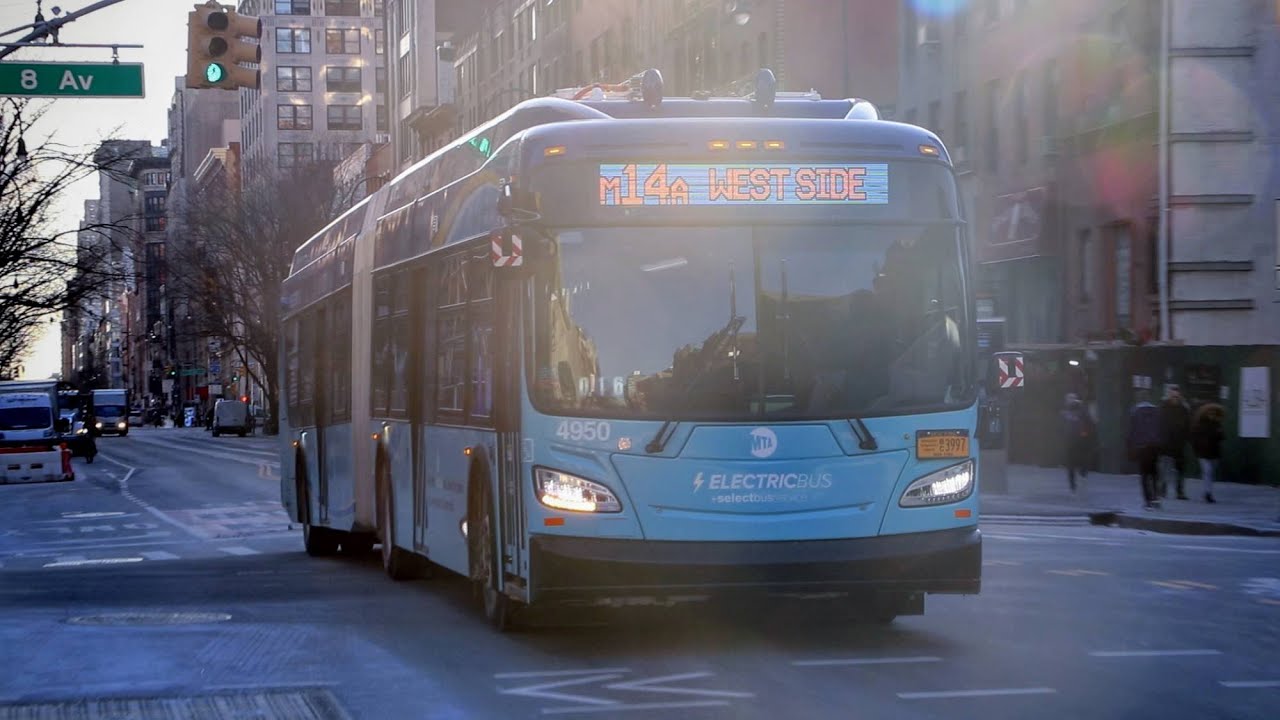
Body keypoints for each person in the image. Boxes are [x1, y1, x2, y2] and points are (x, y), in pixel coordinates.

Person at [1127, 389, 1163, 510]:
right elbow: (1160, 428)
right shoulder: (1156, 410)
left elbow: (1132, 431)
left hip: (1141, 446)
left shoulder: (1135, 411)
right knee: (1154, 473)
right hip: (1154, 446)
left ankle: (1147, 501)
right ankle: (1156, 498)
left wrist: (1130, 446)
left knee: (1144, 475)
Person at [1158, 386, 1192, 500]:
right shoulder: (1164, 407)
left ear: (1180, 396)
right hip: (1166, 443)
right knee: (1165, 468)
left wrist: (1186, 438)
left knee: (1179, 469)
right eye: (1173, 396)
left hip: (1179, 443)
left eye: (1177, 396)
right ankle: (1163, 489)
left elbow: (1187, 425)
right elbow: (1160, 424)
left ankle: (1179, 491)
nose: (1175, 398)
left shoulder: (1184, 409)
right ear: (1169, 395)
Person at [1060, 393, 1095, 492]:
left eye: (1072, 399)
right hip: (1069, 441)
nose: (1070, 401)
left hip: (1081, 440)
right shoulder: (1064, 412)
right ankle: (1072, 485)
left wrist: (1087, 434)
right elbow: (1060, 426)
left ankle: (1083, 473)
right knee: (1070, 463)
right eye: (1068, 399)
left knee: (1083, 459)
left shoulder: (1082, 410)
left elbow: (1090, 423)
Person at [1191, 402, 1225, 504]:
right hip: (1203, 452)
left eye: (1214, 413)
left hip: (1214, 452)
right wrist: (1197, 449)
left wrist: (1220, 433)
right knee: (1207, 471)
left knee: (1210, 473)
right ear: (1206, 414)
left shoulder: (1217, 424)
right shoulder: (1200, 424)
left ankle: (1207, 492)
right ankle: (1207, 493)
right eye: (1210, 413)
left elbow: (1222, 438)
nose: (1212, 415)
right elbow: (1194, 438)